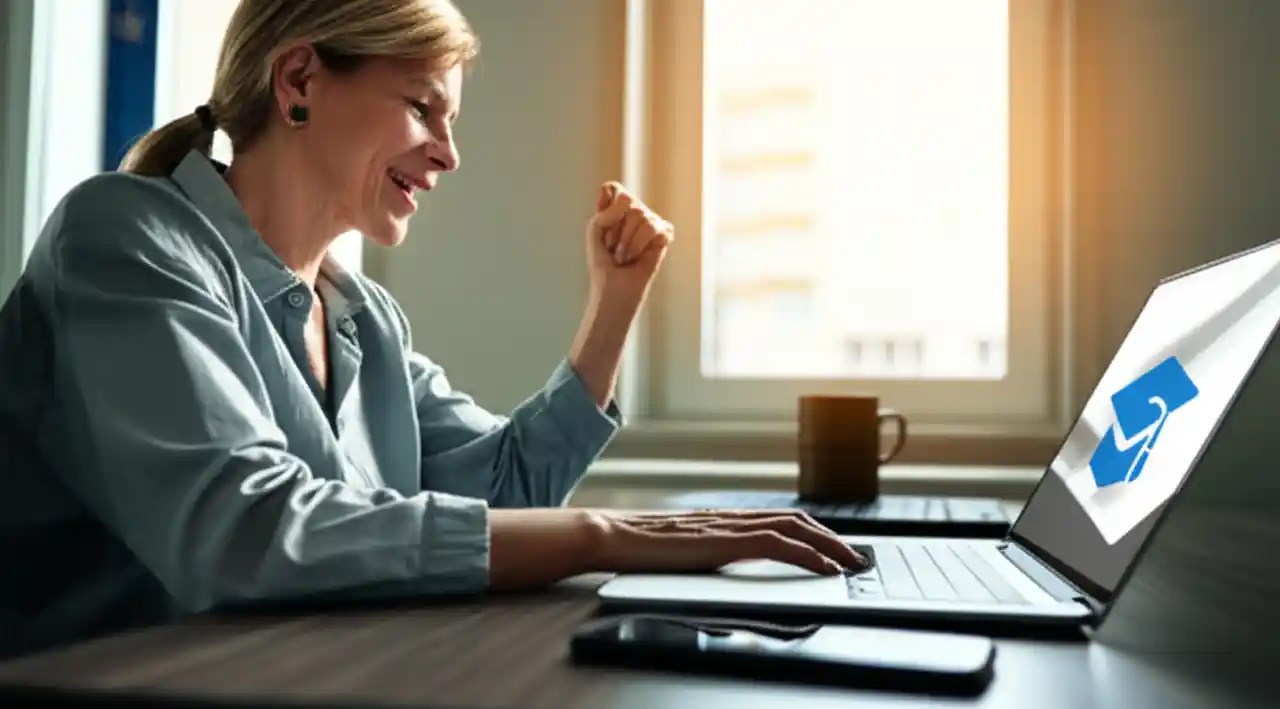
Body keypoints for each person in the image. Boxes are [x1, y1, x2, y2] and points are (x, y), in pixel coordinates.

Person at [0, 0, 863, 658]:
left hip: (270, 676)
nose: (448, 153)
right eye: (423, 107)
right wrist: (609, 535)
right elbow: (245, 533)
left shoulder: (363, 318)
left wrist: (615, 304)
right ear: (298, 81)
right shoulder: (124, 234)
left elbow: (506, 494)